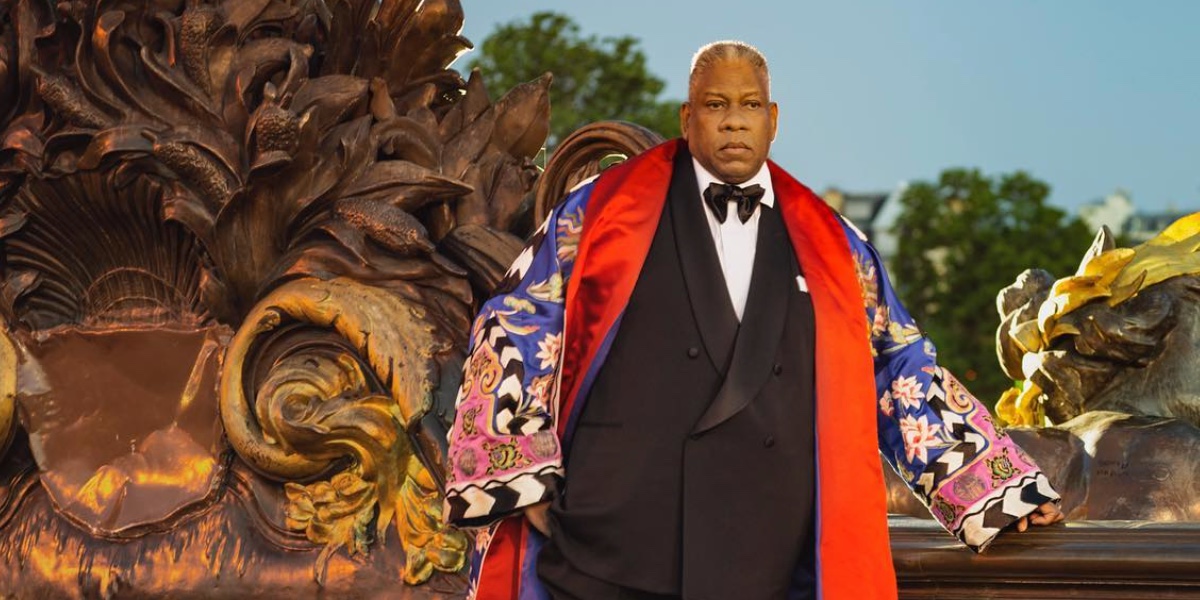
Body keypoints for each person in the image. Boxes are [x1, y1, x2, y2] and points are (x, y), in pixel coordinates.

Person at [442, 40, 1063, 600]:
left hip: (768, 552)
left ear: (773, 120)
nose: (733, 119)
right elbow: (517, 319)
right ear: (688, 119)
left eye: (749, 104)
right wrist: (518, 468)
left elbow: (897, 365)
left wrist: (997, 490)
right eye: (715, 104)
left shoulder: (835, 243)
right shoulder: (601, 210)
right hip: (611, 544)